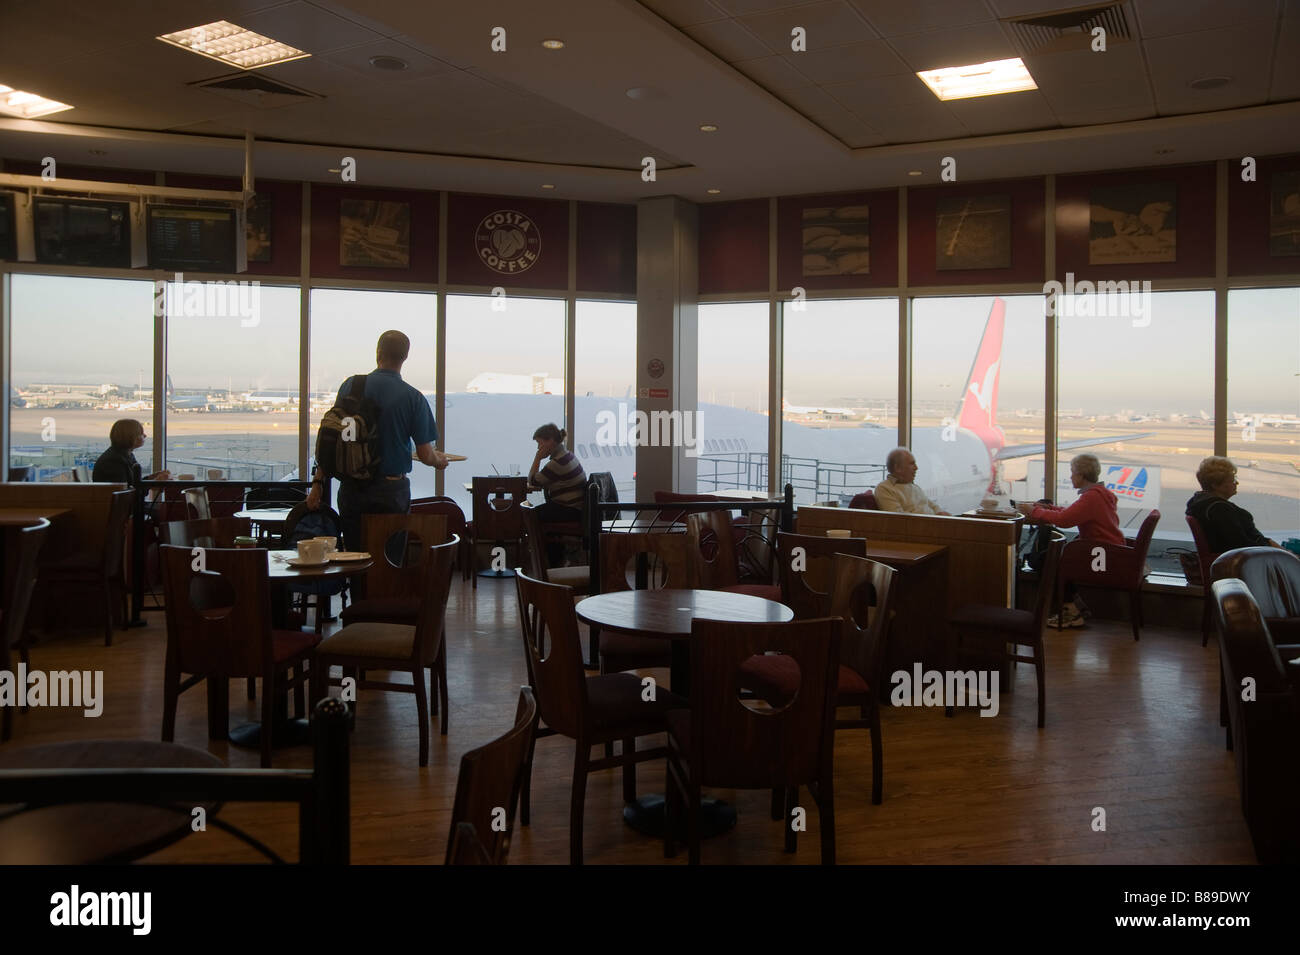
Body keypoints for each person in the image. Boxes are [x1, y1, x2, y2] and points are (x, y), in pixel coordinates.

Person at [306, 330, 447, 551]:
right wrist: (438, 461)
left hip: (353, 488)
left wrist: (317, 485)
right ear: (405, 357)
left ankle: (358, 586)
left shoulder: (351, 386)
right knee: (389, 562)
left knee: (355, 558)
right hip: (391, 491)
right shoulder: (413, 397)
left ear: (378, 353)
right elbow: (425, 454)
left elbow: (332, 439)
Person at [1016, 452, 1123, 628]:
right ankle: (1075, 606)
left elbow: (1065, 520)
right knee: (1054, 558)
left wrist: (1033, 511)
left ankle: (1071, 610)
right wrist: (1049, 508)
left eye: (1073, 472)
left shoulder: (1092, 497)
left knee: (1047, 560)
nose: (1071, 476)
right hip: (1108, 552)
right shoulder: (1100, 493)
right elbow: (1071, 513)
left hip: (1101, 557)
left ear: (1081, 475)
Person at [1186, 456, 1281, 552]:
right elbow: (1241, 544)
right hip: (1248, 557)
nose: (1237, 483)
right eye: (1232, 481)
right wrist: (1275, 551)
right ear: (1215, 485)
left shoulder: (1198, 502)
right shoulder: (1220, 510)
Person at [527, 423, 586, 566]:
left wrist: (537, 458)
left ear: (550, 441)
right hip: (577, 508)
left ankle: (545, 562)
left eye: (539, 443)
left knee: (531, 515)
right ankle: (555, 560)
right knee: (543, 512)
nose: (538, 448)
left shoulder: (558, 463)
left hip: (570, 510)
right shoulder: (568, 455)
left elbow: (533, 480)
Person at [92, 419, 169, 500]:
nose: (145, 435)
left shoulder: (122, 455)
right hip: (122, 511)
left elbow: (132, 484)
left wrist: (152, 478)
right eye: (141, 433)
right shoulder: (113, 461)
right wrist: (153, 485)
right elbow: (126, 495)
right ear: (131, 437)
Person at [874, 447, 950, 516]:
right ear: (897, 468)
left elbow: (930, 503)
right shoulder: (884, 488)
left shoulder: (914, 486)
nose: (916, 468)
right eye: (912, 464)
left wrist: (939, 512)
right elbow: (899, 519)